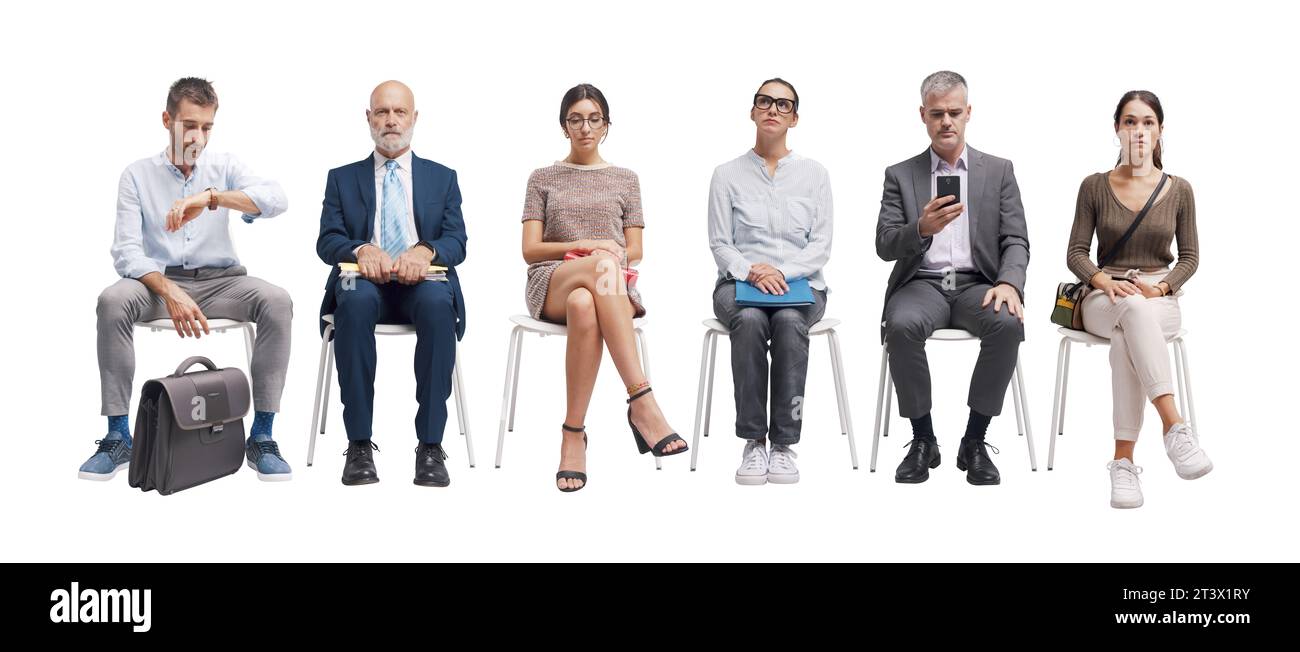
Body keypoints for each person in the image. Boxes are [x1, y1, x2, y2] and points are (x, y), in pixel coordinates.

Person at [86, 77, 292, 483]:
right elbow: (126, 252)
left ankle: (262, 437)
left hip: (221, 283)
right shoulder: (136, 175)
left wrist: (211, 197)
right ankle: (117, 437)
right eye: (190, 125)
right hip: (156, 286)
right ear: (167, 120)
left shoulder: (225, 167)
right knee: (112, 300)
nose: (199, 137)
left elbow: (276, 199)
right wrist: (168, 289)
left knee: (277, 301)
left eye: (208, 127)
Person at [520, 83, 687, 492]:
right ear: (564, 126)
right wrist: (586, 249)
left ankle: (572, 434)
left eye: (594, 119)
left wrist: (605, 258)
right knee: (590, 279)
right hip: (552, 280)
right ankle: (641, 399)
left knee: (585, 304)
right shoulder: (542, 177)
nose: (585, 127)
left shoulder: (625, 179)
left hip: (608, 285)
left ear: (607, 124)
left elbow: (636, 249)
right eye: (575, 119)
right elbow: (530, 250)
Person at [875, 70, 1029, 486]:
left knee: (1007, 323)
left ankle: (974, 440)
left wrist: (1009, 283)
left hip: (978, 284)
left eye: (955, 113)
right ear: (923, 115)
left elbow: (1016, 239)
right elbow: (885, 244)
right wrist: (920, 228)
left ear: (968, 114)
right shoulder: (900, 174)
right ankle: (923, 440)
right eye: (938, 113)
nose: (947, 121)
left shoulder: (998, 171)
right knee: (902, 326)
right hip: (921, 284)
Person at [316, 81, 468, 487]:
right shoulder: (342, 178)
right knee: (352, 302)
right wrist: (362, 248)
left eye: (400, 112)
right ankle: (359, 444)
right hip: (362, 282)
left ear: (414, 118)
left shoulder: (443, 178)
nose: (391, 120)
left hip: (425, 283)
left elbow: (458, 241)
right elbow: (327, 241)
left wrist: (426, 252)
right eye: (382, 112)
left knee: (439, 305)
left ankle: (431, 446)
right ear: (369, 119)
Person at [1065, 90, 1211, 509]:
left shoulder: (1179, 190)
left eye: (1147, 122)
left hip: (1157, 295)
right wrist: (1101, 281)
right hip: (1103, 296)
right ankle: (1175, 427)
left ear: (1160, 131)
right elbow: (1076, 252)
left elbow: (1190, 257)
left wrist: (1161, 288)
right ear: (1117, 130)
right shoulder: (1093, 186)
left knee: (1134, 320)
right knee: (1129, 309)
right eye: (1130, 121)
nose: (1139, 130)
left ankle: (1123, 463)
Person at [708, 78, 833, 485]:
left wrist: (782, 272)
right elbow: (720, 243)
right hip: (739, 284)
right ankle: (753, 441)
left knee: (788, 323)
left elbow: (821, 245)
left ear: (794, 118)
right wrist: (752, 271)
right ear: (752, 112)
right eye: (765, 102)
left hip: (802, 286)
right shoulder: (726, 174)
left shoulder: (814, 174)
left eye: (783, 104)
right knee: (748, 322)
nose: (773, 109)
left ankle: (783, 444)